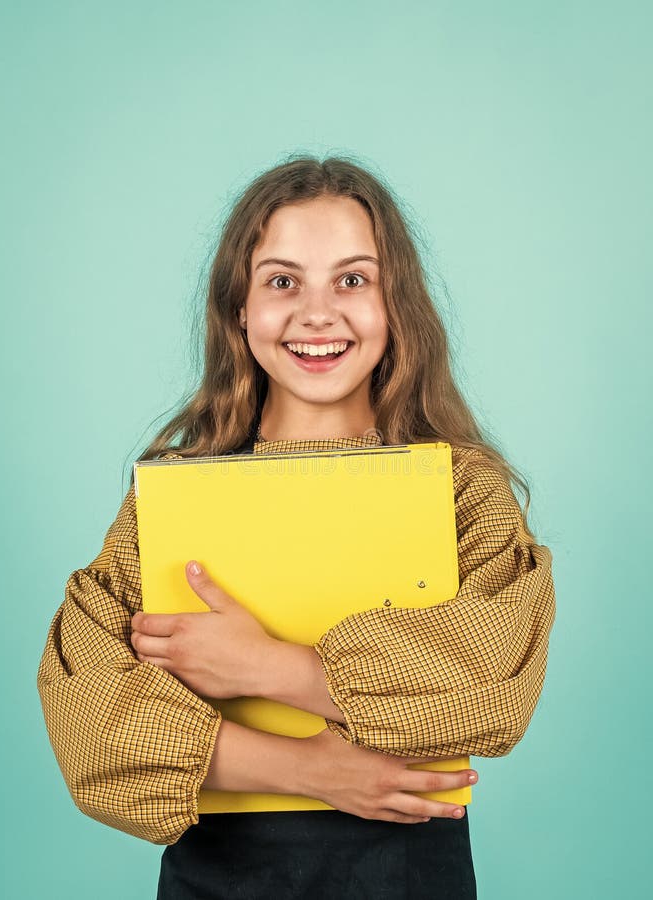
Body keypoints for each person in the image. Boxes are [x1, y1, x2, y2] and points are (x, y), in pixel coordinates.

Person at [37, 155, 555, 899]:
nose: (318, 313)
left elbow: (489, 687)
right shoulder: (172, 495)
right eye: (283, 281)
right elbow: (89, 715)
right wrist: (315, 770)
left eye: (352, 279)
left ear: (395, 306)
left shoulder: (461, 490)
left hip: (408, 873)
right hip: (217, 874)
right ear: (239, 309)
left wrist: (265, 668)